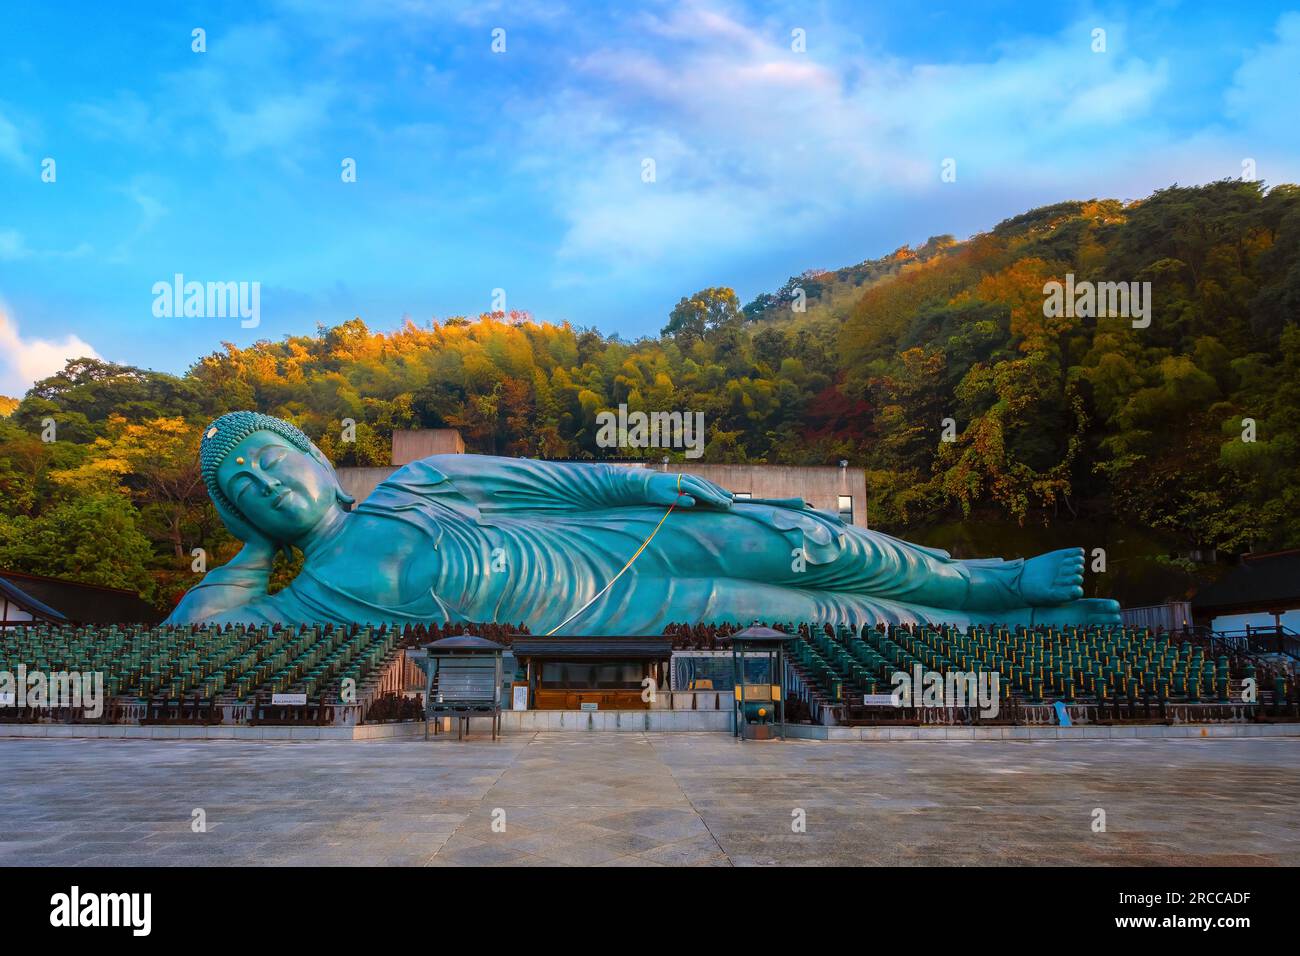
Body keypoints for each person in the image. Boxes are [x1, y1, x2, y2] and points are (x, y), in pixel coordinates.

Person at [166, 412, 1121, 634]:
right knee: (812, 617)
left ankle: (988, 578)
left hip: (617, 541)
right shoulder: (309, 598)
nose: (258, 481)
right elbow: (192, 639)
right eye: (237, 486)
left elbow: (567, 483)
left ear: (317, 455)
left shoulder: (427, 480)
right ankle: (1003, 624)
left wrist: (663, 484)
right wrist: (250, 556)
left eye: (265, 456)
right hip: (607, 617)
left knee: (803, 542)